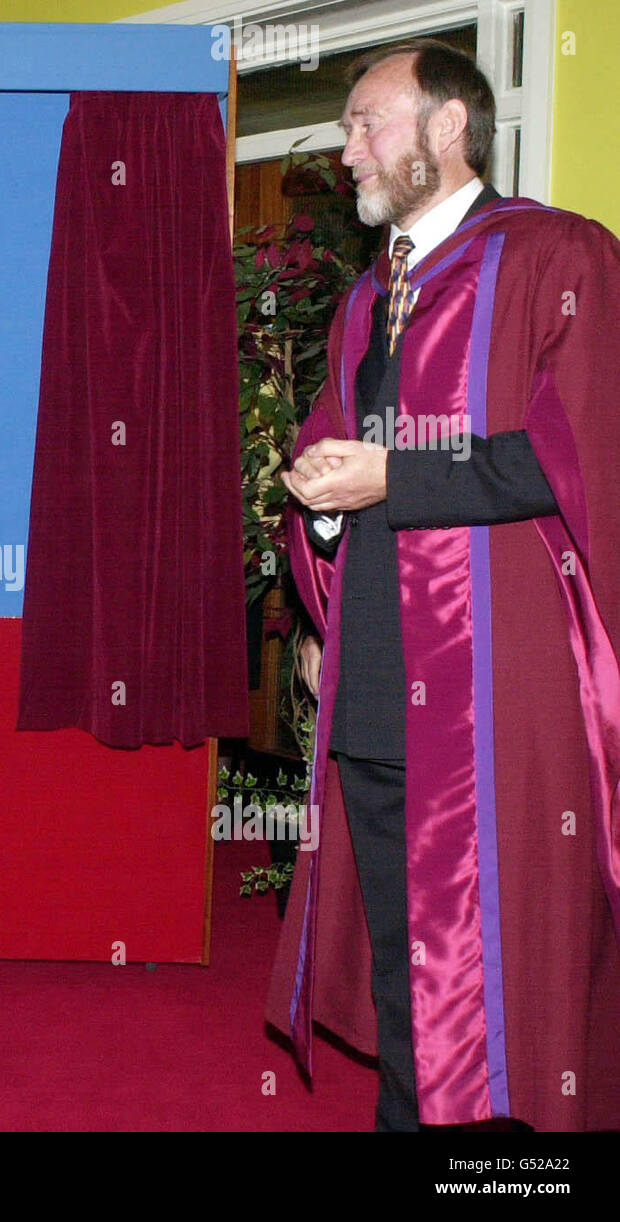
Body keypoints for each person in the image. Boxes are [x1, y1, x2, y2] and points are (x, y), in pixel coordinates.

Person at [266, 39, 620, 1130]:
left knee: (513, 967)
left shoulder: (561, 256)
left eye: (370, 121)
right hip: (375, 685)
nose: (348, 145)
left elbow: (577, 459)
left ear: (447, 128)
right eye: (348, 125)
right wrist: (321, 503)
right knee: (402, 967)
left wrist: (392, 473)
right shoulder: (366, 300)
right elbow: (341, 462)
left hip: (500, 691)